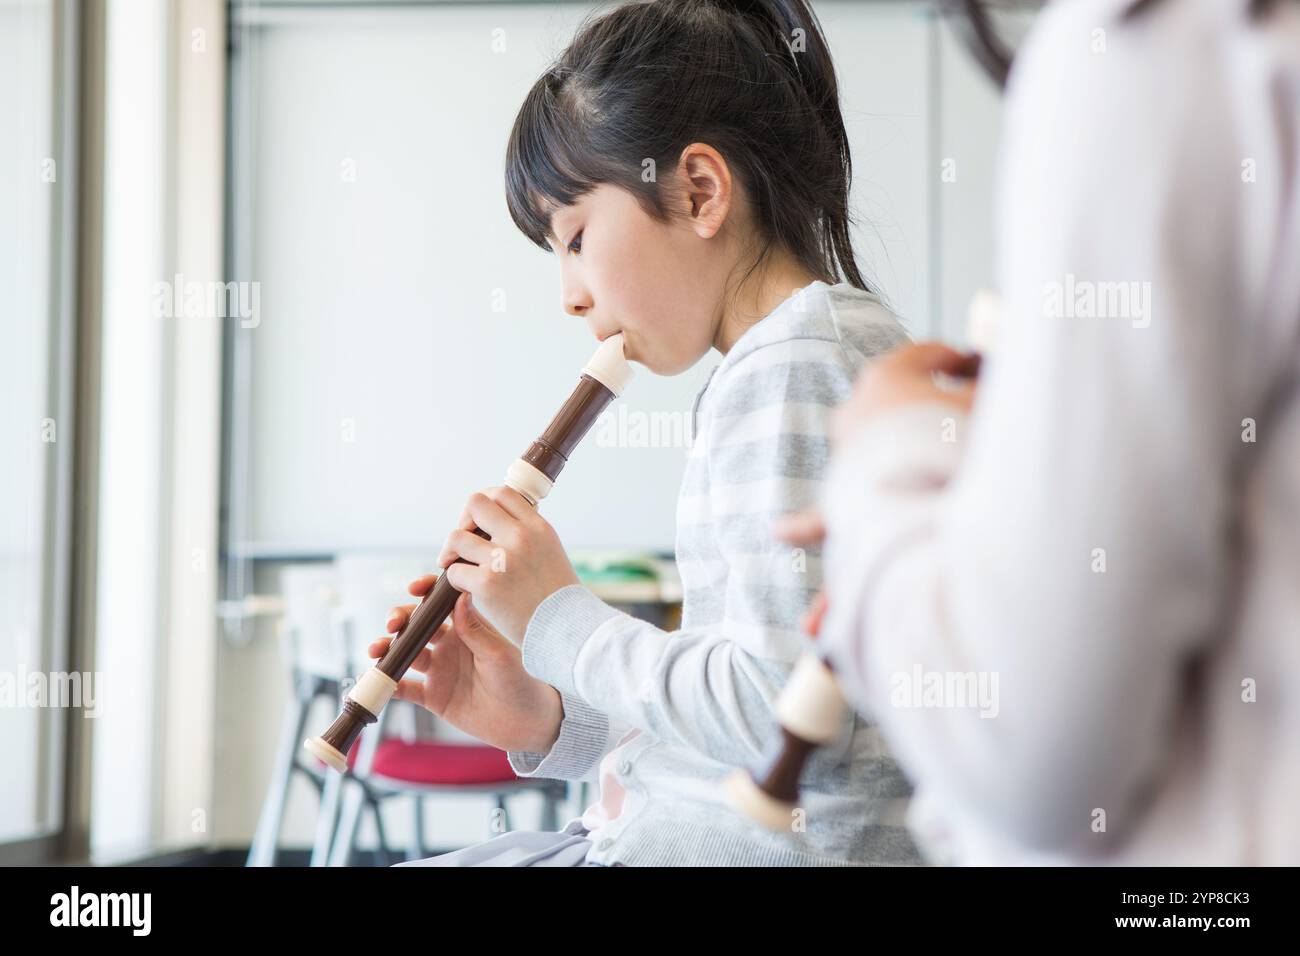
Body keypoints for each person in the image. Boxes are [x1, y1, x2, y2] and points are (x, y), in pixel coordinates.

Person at [375, 0, 922, 866]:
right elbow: (743, 705)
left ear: (698, 191)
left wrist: (561, 621)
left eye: (577, 238)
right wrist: (548, 714)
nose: (571, 294)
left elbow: (783, 719)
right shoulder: (799, 357)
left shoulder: (794, 365)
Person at [801, 0, 1300, 864]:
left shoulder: (1148, 50)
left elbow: (1029, 748)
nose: (570, 293)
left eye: (577, 236)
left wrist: (887, 469)